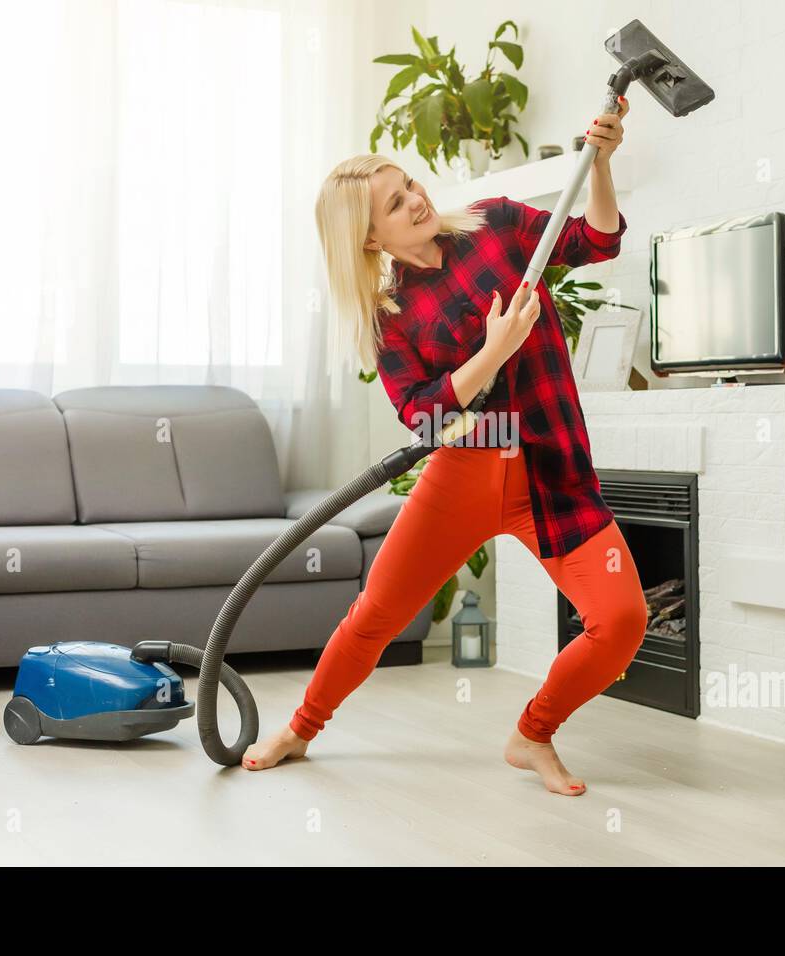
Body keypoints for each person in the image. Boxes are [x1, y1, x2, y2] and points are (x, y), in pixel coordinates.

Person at [240, 97, 648, 796]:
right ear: (370, 239)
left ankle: (533, 733)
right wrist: (492, 355)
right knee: (374, 616)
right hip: (466, 473)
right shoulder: (388, 317)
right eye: (397, 204)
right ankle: (301, 728)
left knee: (624, 621)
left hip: (551, 467)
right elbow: (422, 416)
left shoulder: (497, 227)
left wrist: (602, 162)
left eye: (411, 185)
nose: (417, 199)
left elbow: (595, 241)